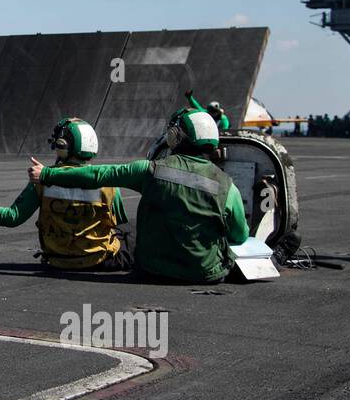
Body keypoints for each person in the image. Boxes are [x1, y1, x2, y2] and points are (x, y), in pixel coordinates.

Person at [29, 106, 249, 284]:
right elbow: (239, 236)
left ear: (174, 137)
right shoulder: (228, 187)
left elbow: (95, 174)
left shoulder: (149, 170)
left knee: (127, 228)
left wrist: (47, 174)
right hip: (204, 275)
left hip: (152, 271)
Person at [0, 118, 131, 271]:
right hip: (97, 260)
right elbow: (120, 221)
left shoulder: (42, 179)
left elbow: (11, 217)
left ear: (62, 146)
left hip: (58, 260)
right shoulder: (108, 184)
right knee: (130, 230)